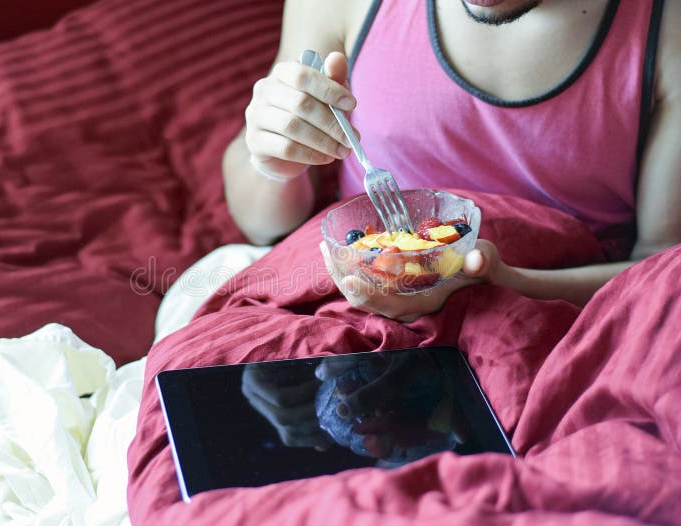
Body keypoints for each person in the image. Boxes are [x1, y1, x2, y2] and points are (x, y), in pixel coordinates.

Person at [219, 0, 681, 322]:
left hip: (568, 320)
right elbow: (261, 224)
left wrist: (508, 285)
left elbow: (663, 270)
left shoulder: (666, 30)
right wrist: (274, 162)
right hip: (350, 307)